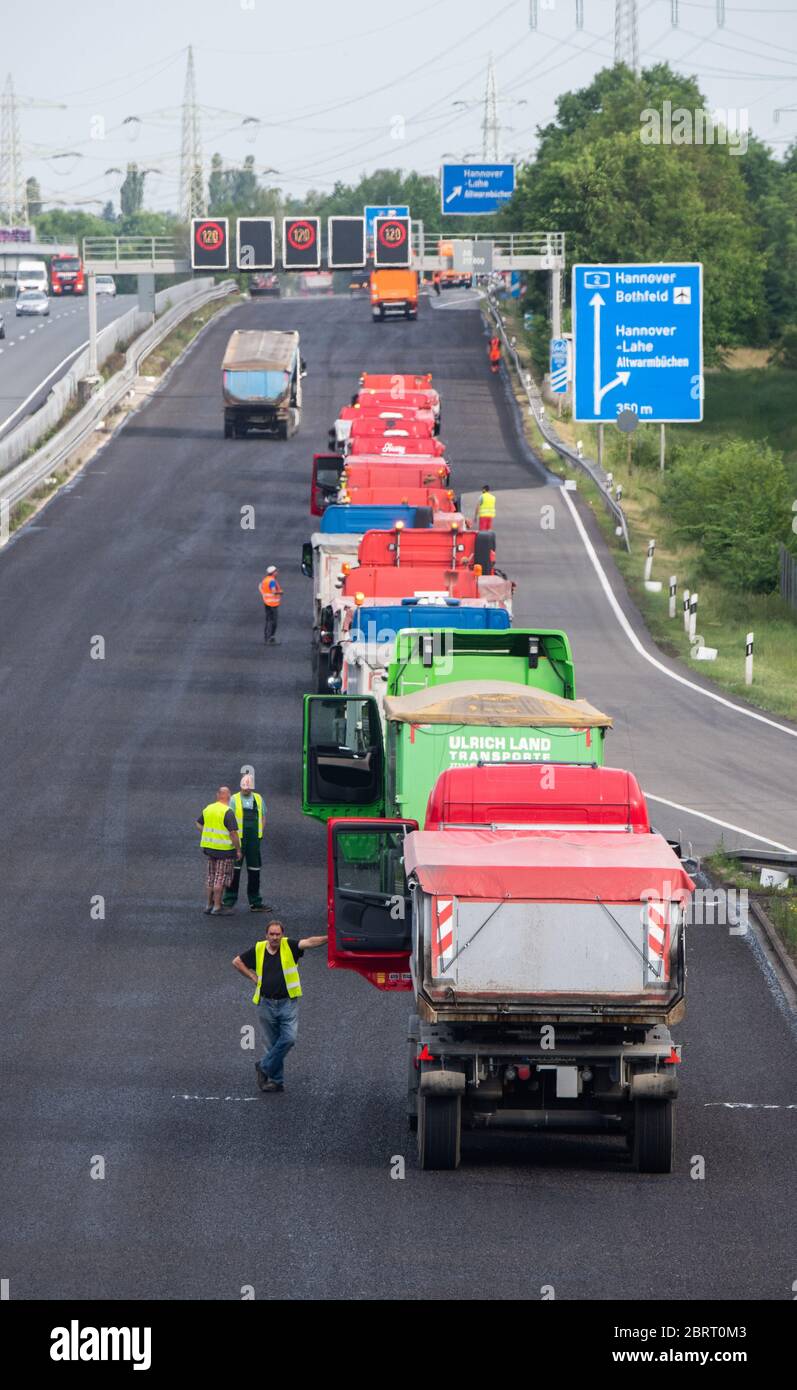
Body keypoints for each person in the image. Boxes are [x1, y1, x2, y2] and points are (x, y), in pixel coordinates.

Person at [232, 919, 327, 1093]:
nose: (275, 937)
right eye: (272, 934)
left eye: (278, 934)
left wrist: (330, 937)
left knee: (289, 1039)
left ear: (282, 935)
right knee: (271, 1044)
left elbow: (310, 942)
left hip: (287, 1002)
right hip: (265, 1003)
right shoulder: (259, 948)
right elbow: (237, 962)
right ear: (266, 935)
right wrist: (253, 977)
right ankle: (276, 1081)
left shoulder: (289, 946)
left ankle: (263, 1066)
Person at [222, 774, 270, 912]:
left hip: (254, 841)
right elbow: (229, 820)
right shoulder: (234, 799)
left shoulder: (258, 799)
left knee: (254, 870)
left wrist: (260, 834)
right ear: (240, 787)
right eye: (244, 789)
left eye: (248, 789)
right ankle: (229, 900)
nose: (246, 791)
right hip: (238, 840)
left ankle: (255, 903)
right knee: (234, 870)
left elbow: (263, 817)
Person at [196, 787, 241, 916]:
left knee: (211, 877)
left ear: (218, 795)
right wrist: (238, 849)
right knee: (220, 878)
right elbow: (233, 833)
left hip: (209, 849)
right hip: (225, 851)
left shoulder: (208, 808)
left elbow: (198, 824)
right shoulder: (228, 812)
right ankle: (217, 906)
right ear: (229, 797)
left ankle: (208, 905)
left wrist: (207, 834)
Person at [259, 566, 282, 645]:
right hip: (273, 604)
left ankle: (267, 637)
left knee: (268, 620)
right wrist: (280, 592)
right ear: (273, 573)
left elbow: (261, 588)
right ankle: (271, 637)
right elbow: (273, 591)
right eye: (276, 571)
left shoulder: (265, 580)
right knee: (273, 621)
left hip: (266, 602)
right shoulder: (272, 581)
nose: (277, 573)